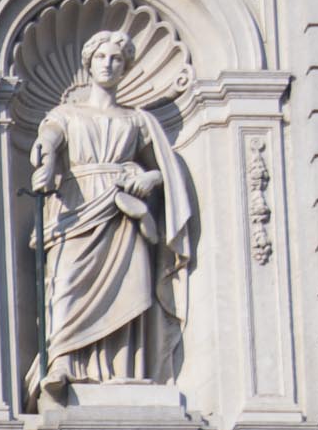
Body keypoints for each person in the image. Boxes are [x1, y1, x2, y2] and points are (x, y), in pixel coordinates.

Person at [28, 24, 194, 397]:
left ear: (126, 67)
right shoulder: (65, 113)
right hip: (77, 208)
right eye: (101, 57)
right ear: (88, 63)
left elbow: (166, 171)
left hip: (123, 214)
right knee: (66, 286)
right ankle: (62, 363)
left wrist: (148, 180)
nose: (108, 64)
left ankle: (125, 369)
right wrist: (46, 156)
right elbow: (49, 138)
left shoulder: (138, 120)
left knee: (128, 291)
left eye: (116, 59)